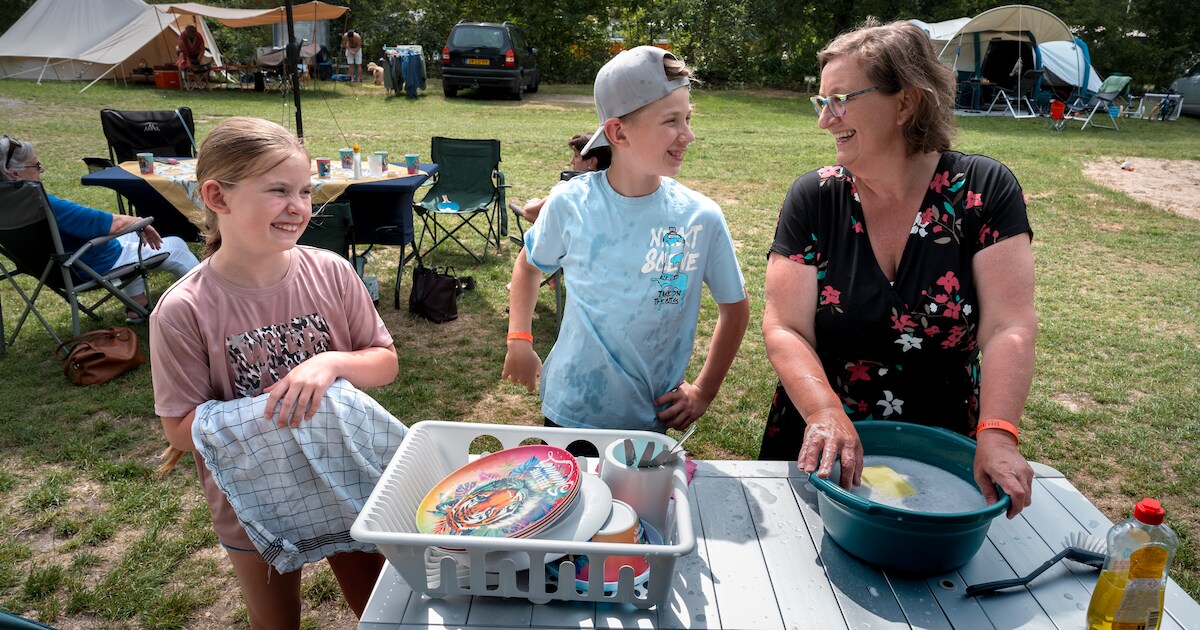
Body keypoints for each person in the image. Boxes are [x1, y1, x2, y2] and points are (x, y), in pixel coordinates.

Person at [758, 19, 1036, 518]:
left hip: (940, 442)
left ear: (906, 102)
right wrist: (824, 411)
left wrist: (997, 433)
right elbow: (785, 326)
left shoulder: (985, 191)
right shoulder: (814, 197)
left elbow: (1008, 326)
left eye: (840, 100)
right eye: (821, 102)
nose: (826, 120)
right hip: (821, 444)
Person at [149, 117, 398, 627]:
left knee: (380, 609)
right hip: (253, 498)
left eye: (306, 190)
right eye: (278, 190)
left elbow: (384, 362)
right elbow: (178, 426)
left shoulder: (331, 271)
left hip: (343, 475)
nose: (299, 207)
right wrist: (269, 410)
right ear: (217, 197)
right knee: (275, 621)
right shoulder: (184, 310)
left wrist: (328, 363)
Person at [502, 46, 750, 439]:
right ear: (618, 132)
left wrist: (703, 391)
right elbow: (529, 266)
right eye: (671, 121)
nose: (688, 134)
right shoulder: (570, 203)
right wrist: (519, 338)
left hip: (650, 420)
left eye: (687, 117)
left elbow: (735, 309)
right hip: (570, 410)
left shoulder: (700, 218)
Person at [0, 135, 199, 323]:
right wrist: (140, 222)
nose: (41, 169)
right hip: (88, 264)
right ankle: (205, 305)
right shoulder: (43, 204)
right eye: (36, 165)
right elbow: (108, 224)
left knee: (134, 235)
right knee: (177, 246)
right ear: (15, 173)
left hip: (50, 268)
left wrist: (133, 225)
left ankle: (137, 305)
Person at [515, 131, 612, 224]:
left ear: (592, 162)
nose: (572, 161)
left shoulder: (572, 190)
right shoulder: (616, 188)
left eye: (576, 156)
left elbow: (530, 213)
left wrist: (535, 202)